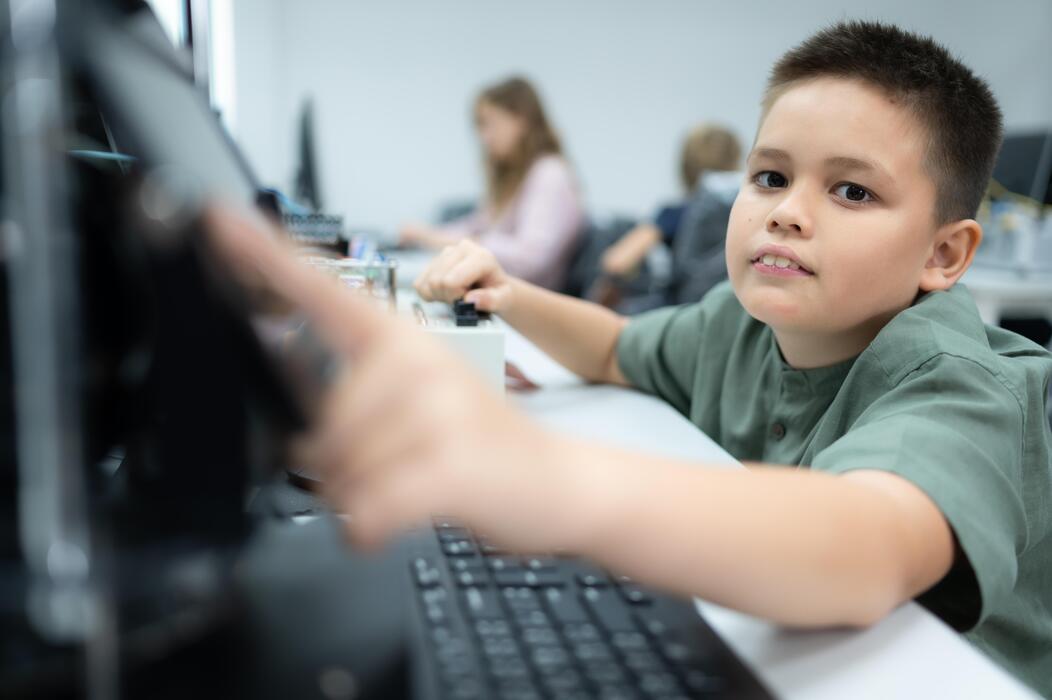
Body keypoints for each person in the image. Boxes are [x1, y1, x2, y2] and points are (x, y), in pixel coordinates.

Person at [209, 21, 1052, 696]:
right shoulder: (741, 323)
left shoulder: (963, 385)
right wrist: (511, 294)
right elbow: (618, 347)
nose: (787, 214)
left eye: (852, 191)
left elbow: (865, 548)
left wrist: (546, 481)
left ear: (945, 255)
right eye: (768, 177)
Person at [399, 76, 584, 291]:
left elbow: (530, 258)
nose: (484, 137)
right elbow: (478, 224)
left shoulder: (550, 174)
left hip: (526, 303)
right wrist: (430, 235)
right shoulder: (517, 176)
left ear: (520, 120)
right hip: (504, 295)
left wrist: (454, 242)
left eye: (490, 124)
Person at [598, 123, 741, 283]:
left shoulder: (676, 213)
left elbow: (617, 262)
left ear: (685, 165)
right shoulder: (746, 214)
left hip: (685, 304)